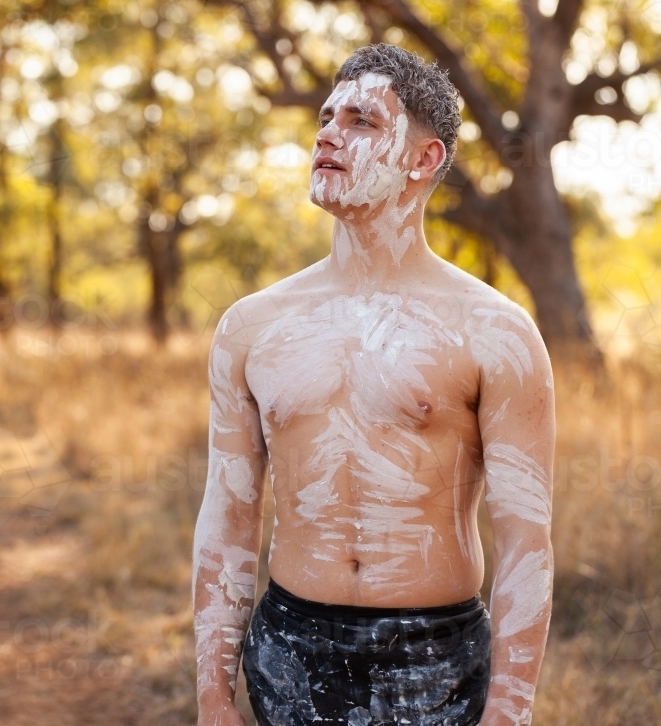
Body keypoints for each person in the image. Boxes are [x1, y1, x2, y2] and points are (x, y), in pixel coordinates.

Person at [193, 44, 554, 726]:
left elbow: (524, 542)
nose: (327, 133)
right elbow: (228, 517)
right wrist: (212, 692)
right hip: (290, 647)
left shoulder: (493, 331)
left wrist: (509, 710)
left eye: (360, 120)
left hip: (437, 658)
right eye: (326, 117)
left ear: (423, 160)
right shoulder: (251, 326)